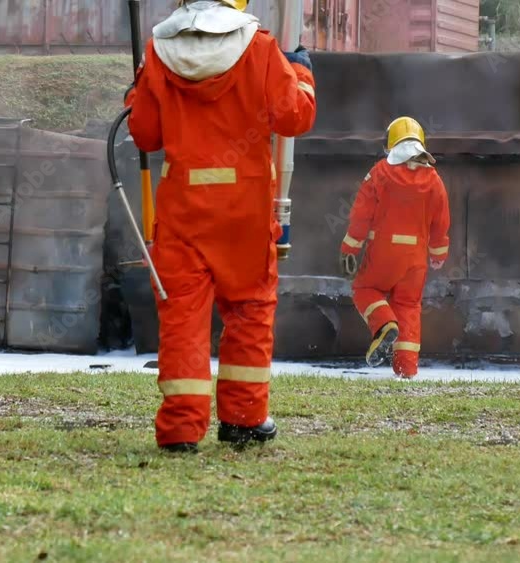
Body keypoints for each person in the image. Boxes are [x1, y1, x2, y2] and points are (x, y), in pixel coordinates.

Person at [125, 0, 316, 453]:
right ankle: (244, 421)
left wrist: (137, 91)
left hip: (182, 210)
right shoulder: (260, 46)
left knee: (183, 319)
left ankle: (180, 431)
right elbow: (295, 117)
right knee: (249, 310)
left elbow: (145, 134)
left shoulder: (158, 48)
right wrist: (301, 73)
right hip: (243, 210)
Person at [339, 117, 450, 378]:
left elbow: (361, 215)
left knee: (364, 289)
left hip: (383, 252)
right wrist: (438, 252)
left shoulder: (380, 172)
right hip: (416, 258)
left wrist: (350, 247)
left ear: (391, 145)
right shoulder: (434, 180)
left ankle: (384, 323)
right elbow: (441, 220)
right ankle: (406, 370)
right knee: (409, 306)